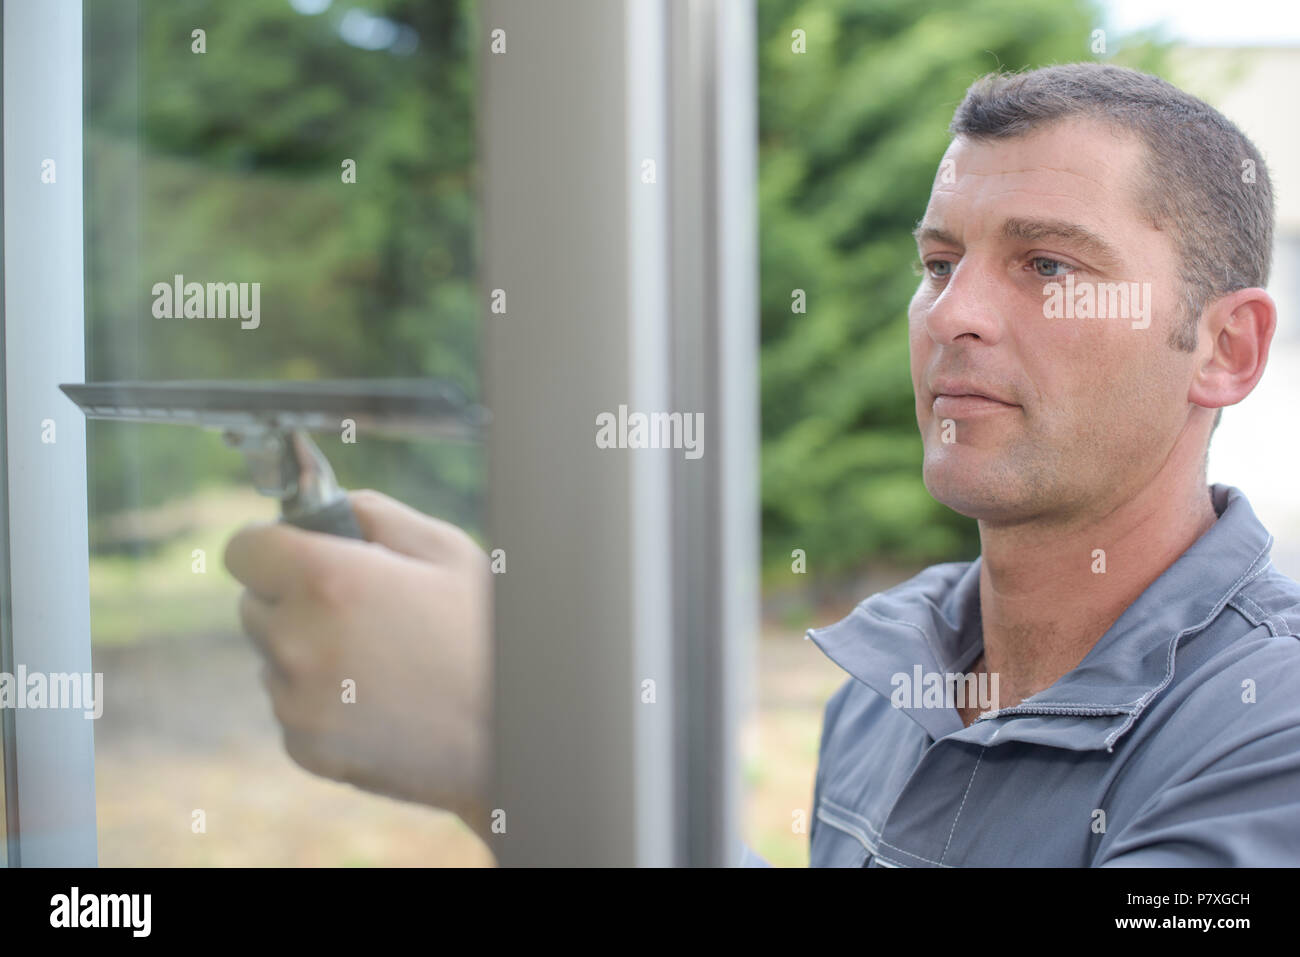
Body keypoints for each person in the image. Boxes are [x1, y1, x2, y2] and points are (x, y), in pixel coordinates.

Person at [226, 62, 1300, 866]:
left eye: (1048, 264)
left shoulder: (1269, 732)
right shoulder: (889, 677)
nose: (951, 314)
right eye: (937, 262)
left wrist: (520, 748)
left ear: (1226, 348)